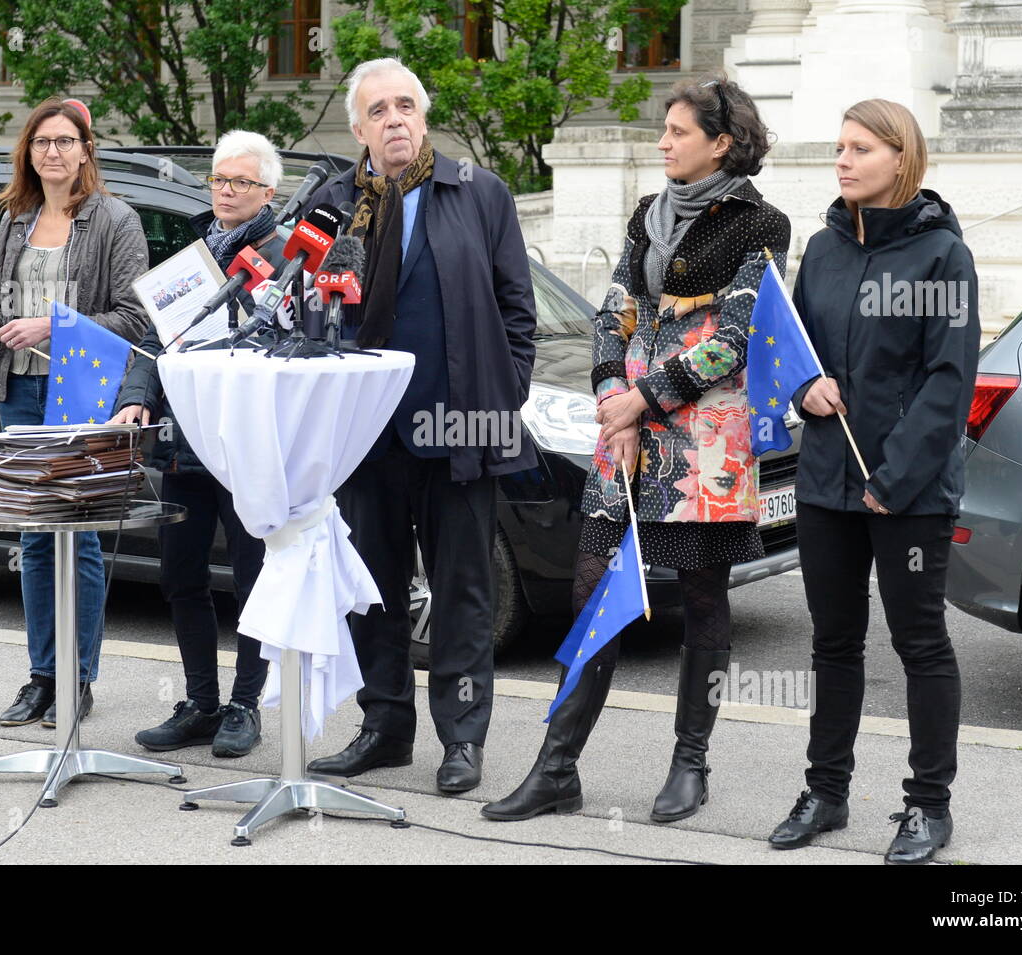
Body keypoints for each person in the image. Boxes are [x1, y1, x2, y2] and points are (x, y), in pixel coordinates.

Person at [481, 75, 790, 823]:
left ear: (720, 143)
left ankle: (691, 763)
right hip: (624, 435)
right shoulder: (649, 212)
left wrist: (644, 397)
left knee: (703, 600)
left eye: (677, 132)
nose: (662, 142)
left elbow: (738, 340)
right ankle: (557, 768)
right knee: (591, 599)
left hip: (703, 444)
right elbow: (614, 310)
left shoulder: (762, 224)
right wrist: (612, 397)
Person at [302, 57, 538, 794]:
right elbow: (304, 306)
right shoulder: (334, 201)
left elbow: (517, 313)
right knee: (372, 589)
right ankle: (384, 728)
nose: (395, 118)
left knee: (463, 591)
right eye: (379, 109)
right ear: (358, 127)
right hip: (365, 434)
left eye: (406, 105)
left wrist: (500, 398)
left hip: (457, 427)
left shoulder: (477, 193)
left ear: (424, 117)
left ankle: (462, 740)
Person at [766, 100, 979, 864]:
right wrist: (803, 391)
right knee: (833, 641)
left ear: (900, 157)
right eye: (839, 147)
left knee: (921, 643)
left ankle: (928, 806)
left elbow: (949, 381)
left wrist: (894, 476)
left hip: (907, 491)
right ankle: (826, 791)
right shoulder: (822, 248)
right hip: (826, 480)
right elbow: (793, 349)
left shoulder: (942, 255)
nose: (844, 161)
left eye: (860, 148)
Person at [0, 98, 149, 727]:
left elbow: (135, 318)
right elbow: (6, 301)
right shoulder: (15, 220)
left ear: (85, 150)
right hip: (18, 390)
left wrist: (54, 324)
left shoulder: (116, 220)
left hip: (81, 396)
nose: (53, 152)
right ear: (29, 152)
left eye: (66, 141)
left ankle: (79, 677)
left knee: (82, 537)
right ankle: (42, 676)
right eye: (42, 141)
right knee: (33, 536)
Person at [111, 130, 289, 757]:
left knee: (251, 581)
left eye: (240, 181)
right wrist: (138, 395)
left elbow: (302, 342)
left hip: (247, 445)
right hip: (185, 442)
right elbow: (159, 340)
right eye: (218, 179)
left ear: (268, 190)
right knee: (180, 576)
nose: (225, 190)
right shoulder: (194, 254)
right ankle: (200, 702)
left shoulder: (290, 253)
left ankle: (246, 706)